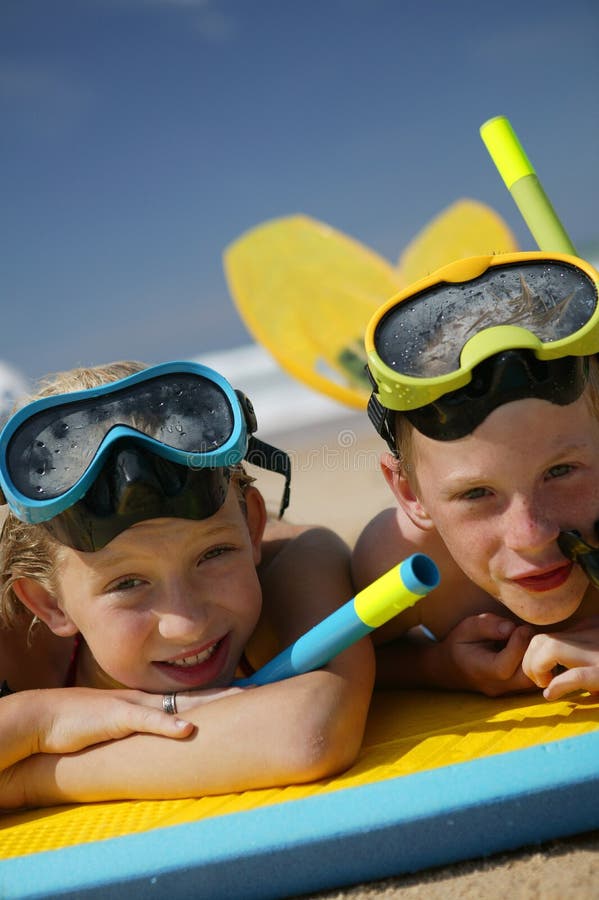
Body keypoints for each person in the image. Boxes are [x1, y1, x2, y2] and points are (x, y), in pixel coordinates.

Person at [0, 359, 374, 810]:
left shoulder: (298, 561)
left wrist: (30, 778)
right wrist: (39, 716)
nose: (188, 624)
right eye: (128, 583)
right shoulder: (14, 657)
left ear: (252, 527)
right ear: (49, 603)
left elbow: (309, 732)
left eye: (213, 555)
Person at [352, 250, 599, 700]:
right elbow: (344, 663)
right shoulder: (405, 564)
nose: (530, 536)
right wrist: (436, 667)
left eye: (560, 471)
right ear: (410, 495)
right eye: (476, 493)